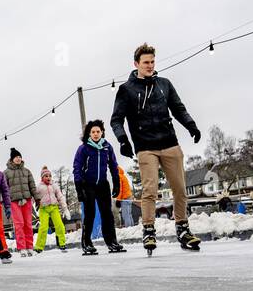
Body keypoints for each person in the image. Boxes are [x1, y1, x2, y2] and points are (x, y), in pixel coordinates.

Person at [109, 42, 202, 252]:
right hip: (145, 146)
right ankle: (149, 230)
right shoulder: (126, 90)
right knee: (150, 189)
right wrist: (123, 139)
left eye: (152, 62)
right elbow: (116, 119)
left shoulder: (164, 84)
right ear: (136, 64)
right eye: (146, 62)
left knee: (179, 188)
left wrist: (191, 125)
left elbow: (178, 108)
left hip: (169, 143)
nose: (150, 66)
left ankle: (183, 228)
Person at [72, 120, 126, 255]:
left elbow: (113, 165)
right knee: (90, 214)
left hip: (102, 184)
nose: (96, 134)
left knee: (107, 213)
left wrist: (116, 182)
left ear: (102, 132)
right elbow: (77, 167)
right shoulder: (83, 148)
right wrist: (79, 187)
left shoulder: (107, 147)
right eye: (93, 132)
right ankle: (87, 243)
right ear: (89, 134)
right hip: (87, 184)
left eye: (98, 131)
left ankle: (112, 241)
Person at [4, 148, 40, 256]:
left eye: (20, 157)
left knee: (28, 224)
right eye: (16, 157)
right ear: (12, 159)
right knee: (19, 224)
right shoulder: (6, 173)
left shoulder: (27, 171)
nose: (18, 159)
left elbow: (32, 186)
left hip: (27, 200)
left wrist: (37, 198)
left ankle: (29, 247)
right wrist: (5, 202)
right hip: (14, 201)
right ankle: (22, 247)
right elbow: (3, 188)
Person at [34, 165, 70, 252]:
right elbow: (34, 197)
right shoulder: (39, 187)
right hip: (43, 209)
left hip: (54, 208)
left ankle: (62, 243)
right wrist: (32, 207)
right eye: (46, 176)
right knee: (43, 227)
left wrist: (65, 209)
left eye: (50, 176)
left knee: (60, 225)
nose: (48, 178)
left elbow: (60, 197)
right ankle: (39, 247)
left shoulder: (54, 186)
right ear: (42, 177)